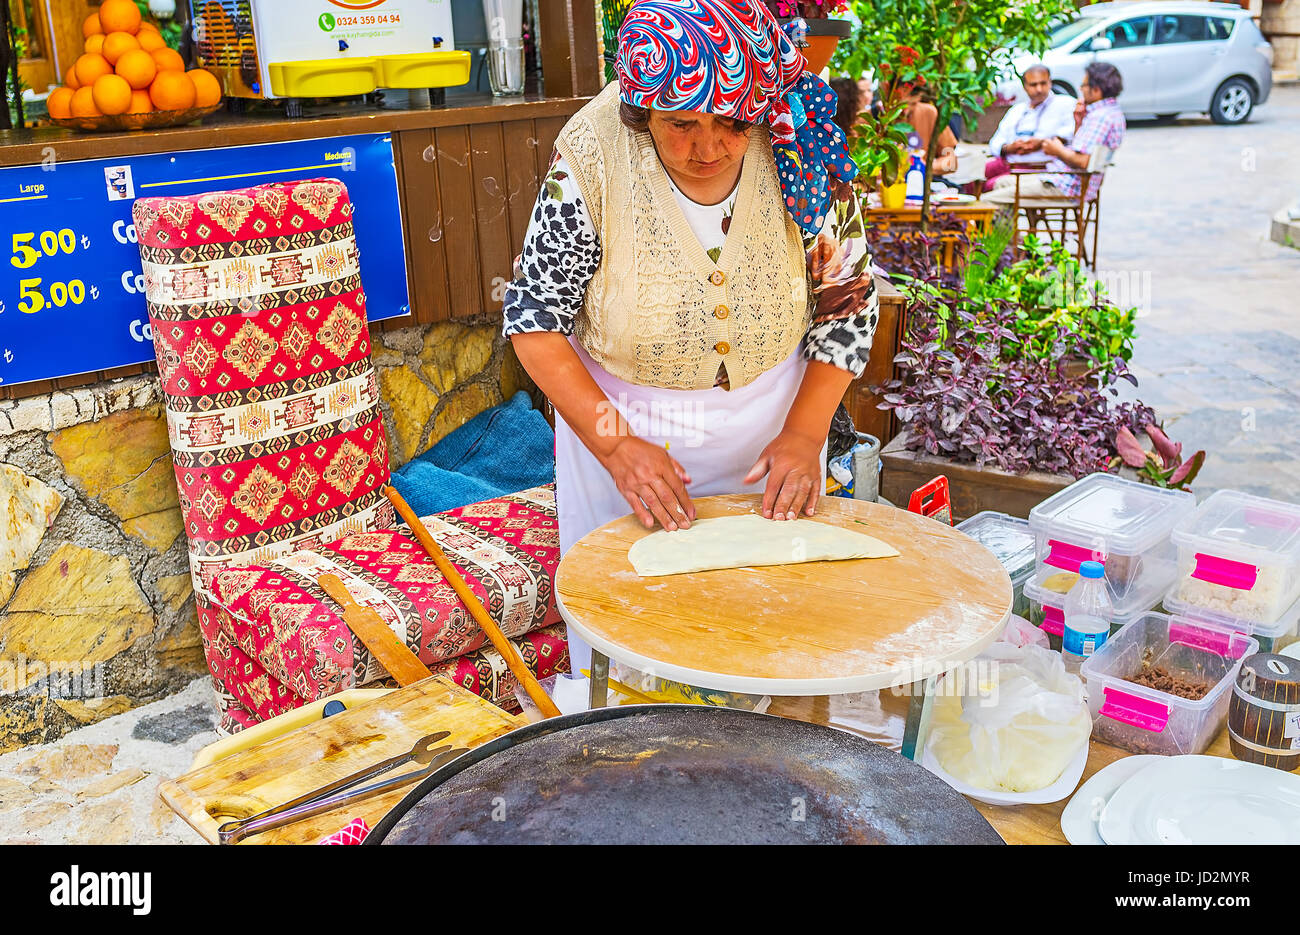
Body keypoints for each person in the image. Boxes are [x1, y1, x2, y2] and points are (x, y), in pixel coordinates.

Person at [502, 0, 879, 676]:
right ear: (640, 110)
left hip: (776, 442)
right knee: (639, 658)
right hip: (625, 449)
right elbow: (535, 321)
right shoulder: (591, 154)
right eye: (680, 125)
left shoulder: (799, 134)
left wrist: (803, 435)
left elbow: (846, 306)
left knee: (772, 643)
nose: (707, 148)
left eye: (733, 125)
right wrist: (617, 447)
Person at [984, 61, 1125, 204]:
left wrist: (1057, 150)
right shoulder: (1109, 113)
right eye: (1033, 85)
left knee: (986, 201)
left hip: (1064, 186)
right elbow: (1082, 150)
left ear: (1095, 89)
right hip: (1058, 178)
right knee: (998, 183)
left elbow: (1083, 161)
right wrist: (1078, 123)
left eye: (1084, 85)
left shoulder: (1100, 117)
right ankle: (1004, 226)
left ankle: (993, 224)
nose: (1081, 90)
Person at [983, 64, 1077, 190]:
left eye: (1043, 83)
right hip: (1009, 161)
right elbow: (995, 142)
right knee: (972, 179)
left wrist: (1042, 142)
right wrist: (1009, 148)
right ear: (1024, 87)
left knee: (990, 186)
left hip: (1040, 166)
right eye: (1033, 85)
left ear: (1050, 82)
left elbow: (1071, 132)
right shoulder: (1017, 110)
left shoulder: (1066, 104)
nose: (1039, 89)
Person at [894, 80, 957, 175]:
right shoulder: (869, 119)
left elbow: (951, 162)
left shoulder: (929, 113)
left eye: (912, 104)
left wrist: (923, 167)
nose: (904, 112)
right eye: (899, 104)